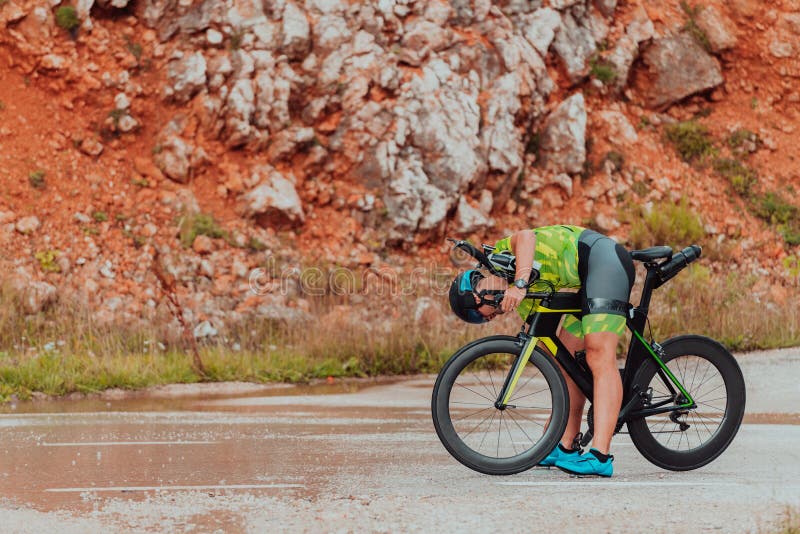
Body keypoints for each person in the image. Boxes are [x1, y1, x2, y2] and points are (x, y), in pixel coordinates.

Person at [448, 225, 635, 477]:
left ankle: (600, 456)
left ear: (475, 294)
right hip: (588, 281)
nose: (490, 317)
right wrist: (551, 429)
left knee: (598, 355)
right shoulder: (521, 300)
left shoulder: (502, 257)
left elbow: (526, 237)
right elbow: (549, 351)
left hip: (603, 260)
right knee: (567, 363)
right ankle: (565, 445)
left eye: (482, 314)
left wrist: (520, 283)